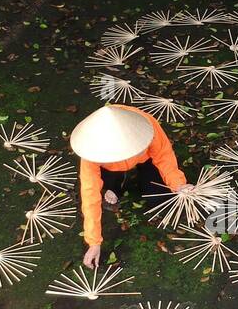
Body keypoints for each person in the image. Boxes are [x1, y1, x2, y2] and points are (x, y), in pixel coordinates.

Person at [71, 103, 194, 268]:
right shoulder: (92, 150)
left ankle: (133, 174)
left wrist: (178, 184)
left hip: (145, 158)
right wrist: (94, 242)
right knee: (110, 181)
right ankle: (114, 185)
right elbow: (89, 194)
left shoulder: (147, 125)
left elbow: (163, 155)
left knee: (159, 197)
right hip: (110, 167)